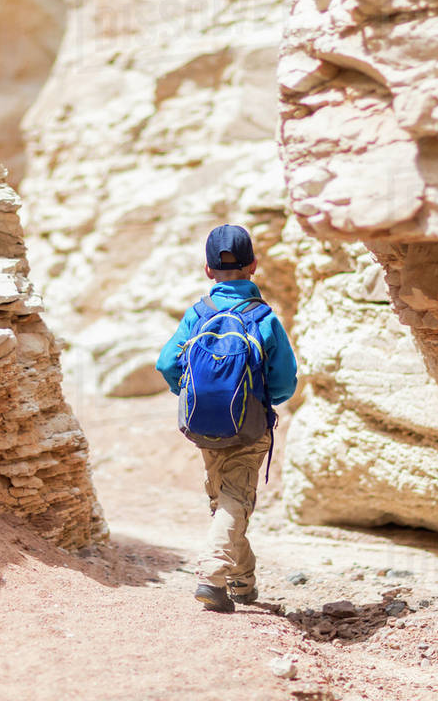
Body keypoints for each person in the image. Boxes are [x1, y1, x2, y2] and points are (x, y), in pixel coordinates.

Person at [155, 224, 298, 612]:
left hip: (203, 425)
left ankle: (242, 581)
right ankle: (212, 577)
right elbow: (285, 381)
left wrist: (191, 394)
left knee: (227, 501)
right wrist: (261, 401)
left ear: (207, 270)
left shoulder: (197, 314)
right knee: (236, 500)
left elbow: (166, 363)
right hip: (249, 427)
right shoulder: (263, 318)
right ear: (254, 266)